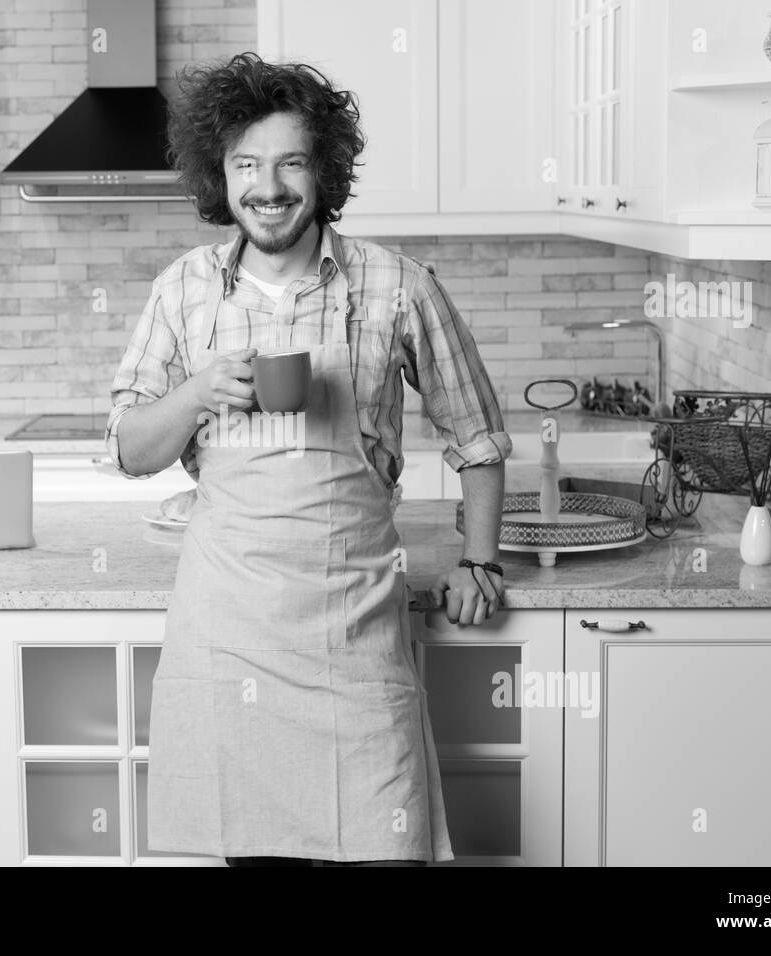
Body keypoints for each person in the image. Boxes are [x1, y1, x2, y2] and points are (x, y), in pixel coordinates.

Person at [105, 52, 510, 867]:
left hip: (353, 635)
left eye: (291, 161)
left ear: (322, 170)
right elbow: (129, 450)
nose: (269, 186)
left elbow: (477, 434)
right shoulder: (183, 291)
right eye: (246, 164)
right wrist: (198, 394)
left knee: (383, 847)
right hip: (231, 635)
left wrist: (481, 560)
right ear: (219, 176)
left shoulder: (399, 285)